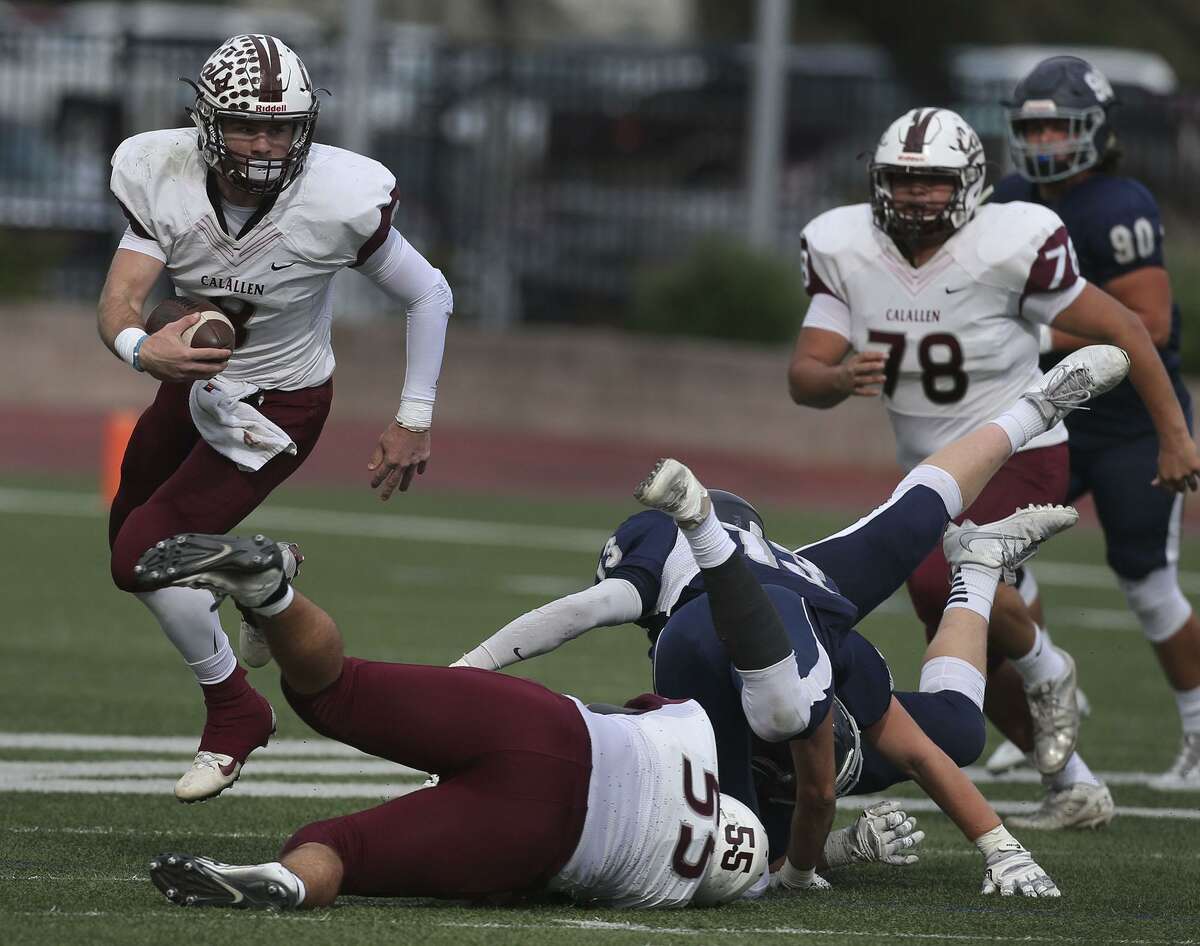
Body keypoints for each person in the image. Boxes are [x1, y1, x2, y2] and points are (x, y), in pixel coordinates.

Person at [457, 345, 1131, 894]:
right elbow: (777, 850)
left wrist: (472, 672)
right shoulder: (743, 643)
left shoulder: (709, 620)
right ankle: (979, 567)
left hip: (786, 600)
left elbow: (590, 608)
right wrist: (844, 847)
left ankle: (1037, 409)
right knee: (952, 699)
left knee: (919, 527)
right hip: (790, 603)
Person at [785, 105, 1200, 826]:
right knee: (955, 626)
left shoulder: (1013, 241)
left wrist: (1174, 435)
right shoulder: (841, 244)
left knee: (942, 572)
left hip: (1020, 448)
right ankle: (1070, 779)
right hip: (930, 473)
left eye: (934, 181)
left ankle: (1047, 664)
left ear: (971, 183)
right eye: (901, 180)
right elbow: (805, 375)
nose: (915, 195)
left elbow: (1127, 328)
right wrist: (839, 378)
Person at [97, 34, 454, 802]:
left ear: (305, 128)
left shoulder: (338, 195)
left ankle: (235, 710)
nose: (266, 143)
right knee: (126, 549)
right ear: (207, 121)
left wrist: (413, 416)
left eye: (282, 127)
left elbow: (429, 293)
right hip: (194, 391)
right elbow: (121, 299)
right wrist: (140, 349)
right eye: (248, 126)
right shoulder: (161, 173)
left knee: (140, 555)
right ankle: (266, 570)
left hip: (282, 402)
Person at [132, 532, 781, 910]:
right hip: (547, 832)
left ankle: (271, 592)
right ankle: (289, 883)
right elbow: (542, 888)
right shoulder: (666, 889)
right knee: (336, 844)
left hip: (552, 727)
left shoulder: (694, 743)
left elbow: (633, 711)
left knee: (333, 691)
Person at [987, 55, 1200, 794]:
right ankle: (1056, 702)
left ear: (1093, 130)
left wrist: (1038, 339)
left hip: (1129, 417)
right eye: (1033, 126)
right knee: (997, 558)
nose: (1044, 140)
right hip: (1050, 411)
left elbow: (1152, 323)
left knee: (1145, 581)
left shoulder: (1121, 203)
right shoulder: (1009, 197)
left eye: (1057, 125)